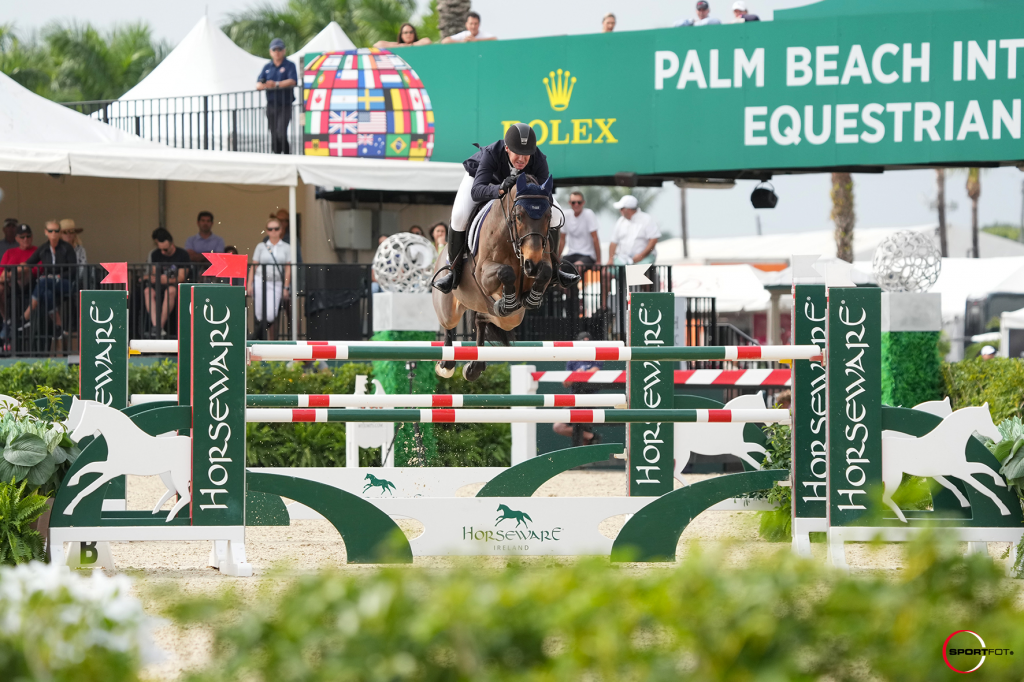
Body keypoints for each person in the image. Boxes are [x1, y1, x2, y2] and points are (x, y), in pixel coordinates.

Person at [433, 123, 579, 294]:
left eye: (527, 155)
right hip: (482, 180)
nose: (522, 160)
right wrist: (500, 189)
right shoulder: (491, 154)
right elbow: (477, 191)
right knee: (458, 216)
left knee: (554, 216)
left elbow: (544, 194)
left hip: (519, 192)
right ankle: (453, 270)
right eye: (518, 153)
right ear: (507, 148)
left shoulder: (539, 159)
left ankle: (555, 268)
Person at [19, 220, 77, 337]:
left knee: (43, 281)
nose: (54, 233)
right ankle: (59, 326)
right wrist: (12, 270)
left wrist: (57, 277)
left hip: (66, 283)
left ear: (60, 233)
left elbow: (73, 270)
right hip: (48, 284)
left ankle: (26, 315)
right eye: (51, 231)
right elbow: (29, 263)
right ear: (46, 232)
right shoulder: (43, 248)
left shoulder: (67, 248)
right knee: (46, 293)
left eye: (56, 231)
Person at [552, 331, 602, 446]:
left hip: (591, 401)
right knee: (559, 426)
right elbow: (566, 383)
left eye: (587, 343)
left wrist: (580, 374)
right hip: (574, 400)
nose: (585, 346)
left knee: (583, 436)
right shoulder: (572, 360)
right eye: (582, 343)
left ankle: (586, 451)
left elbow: (595, 371)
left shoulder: (596, 356)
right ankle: (593, 437)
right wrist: (576, 375)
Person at [249, 218, 292, 340]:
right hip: (259, 280)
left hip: (276, 282)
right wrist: (249, 283)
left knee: (271, 315)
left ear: (281, 230)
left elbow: (288, 268)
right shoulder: (261, 246)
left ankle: (253, 339)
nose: (273, 231)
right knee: (259, 314)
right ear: (267, 231)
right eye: (270, 229)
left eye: (276, 228)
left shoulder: (286, 247)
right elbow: (254, 266)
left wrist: (286, 287)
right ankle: (260, 341)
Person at [256, 38, 298, 154]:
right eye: (274, 49)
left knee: (281, 132)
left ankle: (286, 155)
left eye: (279, 49)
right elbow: (258, 83)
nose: (277, 51)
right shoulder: (267, 67)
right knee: (274, 133)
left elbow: (293, 81)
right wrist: (265, 85)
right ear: (270, 52)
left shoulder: (289, 65)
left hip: (285, 105)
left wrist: (276, 84)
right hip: (271, 105)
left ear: (284, 51)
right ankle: (276, 156)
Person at [146, 228, 191, 334]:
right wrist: (154, 277)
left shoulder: (182, 254)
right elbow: (153, 272)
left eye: (165, 250)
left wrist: (167, 280)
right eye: (160, 249)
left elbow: (181, 277)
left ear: (171, 243)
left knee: (170, 291)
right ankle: (156, 326)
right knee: (147, 291)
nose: (162, 252)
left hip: (174, 285)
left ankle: (158, 327)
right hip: (159, 284)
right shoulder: (155, 254)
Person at [607, 195, 659, 266]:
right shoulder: (620, 221)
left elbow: (653, 240)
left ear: (628, 209)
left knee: (637, 274)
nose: (620, 211)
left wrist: (641, 256)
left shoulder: (646, 219)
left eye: (622, 208)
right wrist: (610, 259)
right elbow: (613, 242)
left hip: (644, 258)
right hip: (624, 258)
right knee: (607, 273)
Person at [558, 191, 601, 268]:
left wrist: (598, 261)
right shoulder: (565, 215)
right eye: (573, 202)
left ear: (583, 203)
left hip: (588, 255)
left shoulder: (589, 214)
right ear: (569, 203)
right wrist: (557, 258)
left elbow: (595, 238)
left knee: (578, 266)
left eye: (579, 202)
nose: (576, 204)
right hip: (571, 254)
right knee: (559, 267)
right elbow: (562, 239)